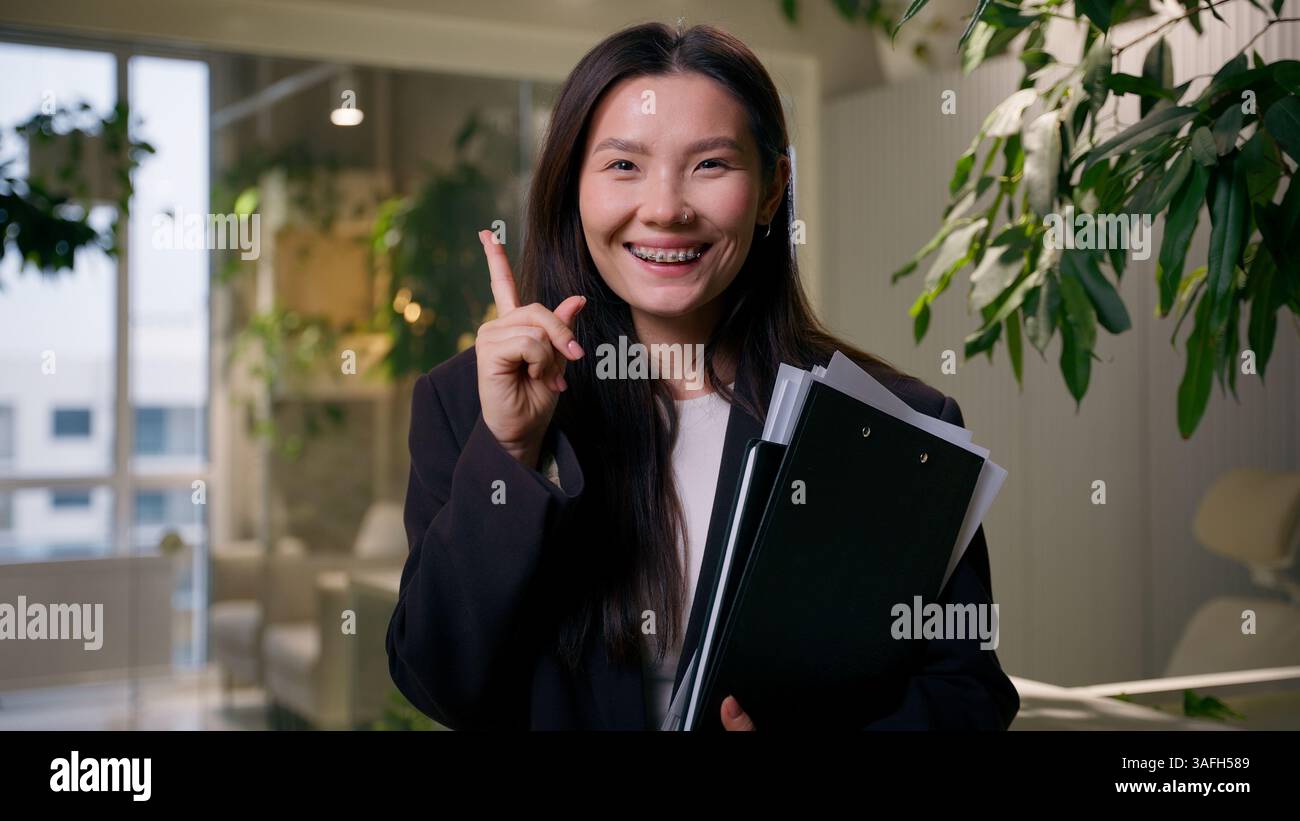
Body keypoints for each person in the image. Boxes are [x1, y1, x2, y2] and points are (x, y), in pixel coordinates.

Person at [386, 21, 1019, 731]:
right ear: (571, 189)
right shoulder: (466, 401)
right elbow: (437, 679)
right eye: (623, 165)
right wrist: (508, 447)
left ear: (773, 190)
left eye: (711, 164)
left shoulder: (892, 424)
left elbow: (967, 693)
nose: (665, 209)